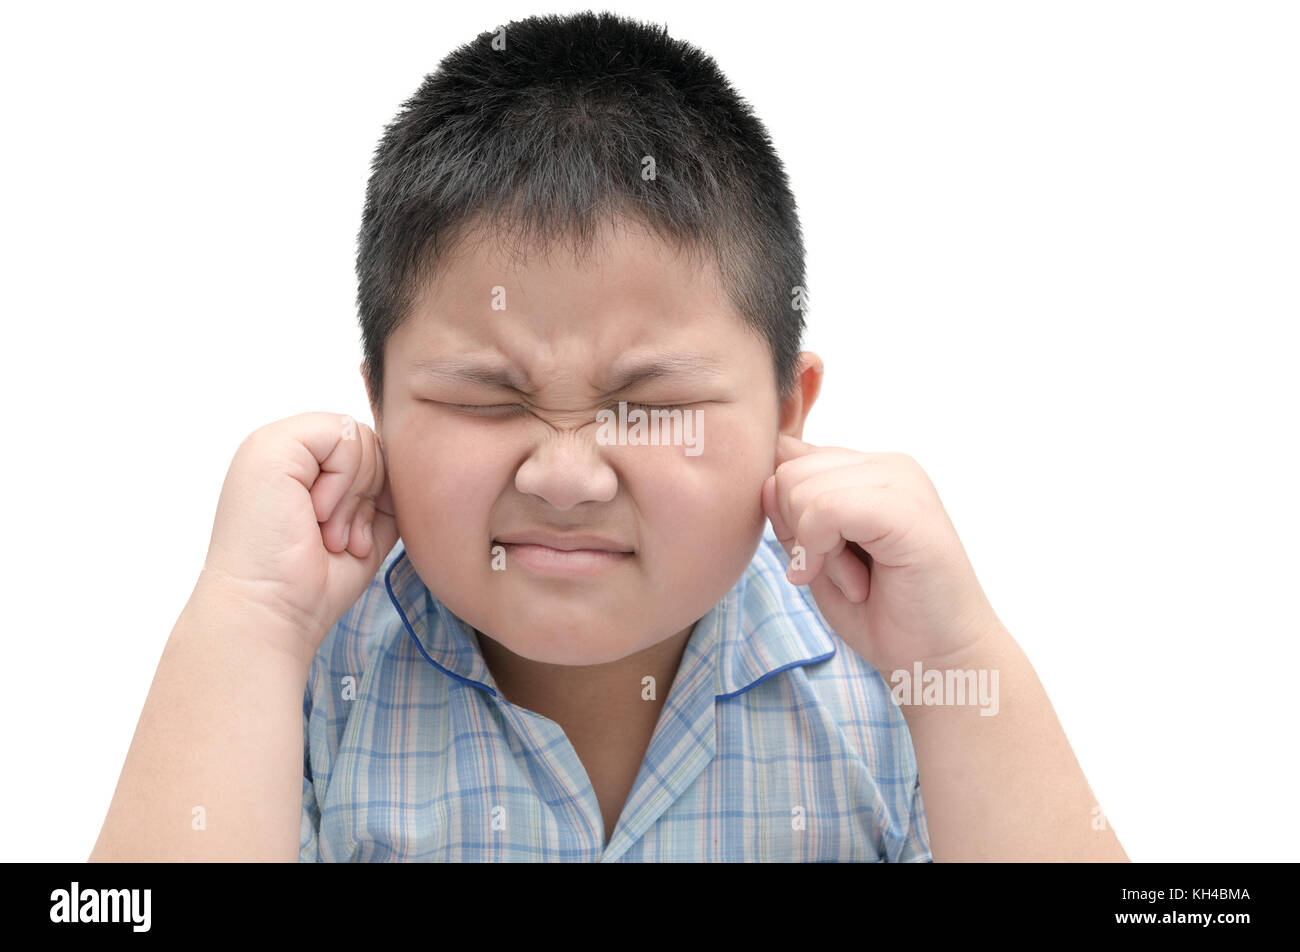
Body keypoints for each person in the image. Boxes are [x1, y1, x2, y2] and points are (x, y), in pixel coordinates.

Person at [89, 11, 1128, 862]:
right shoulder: (302, 683)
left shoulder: (893, 683)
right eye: (488, 399)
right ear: (380, 408)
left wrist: (956, 657)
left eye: (649, 404)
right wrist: (249, 617)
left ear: (785, 413)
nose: (567, 473)